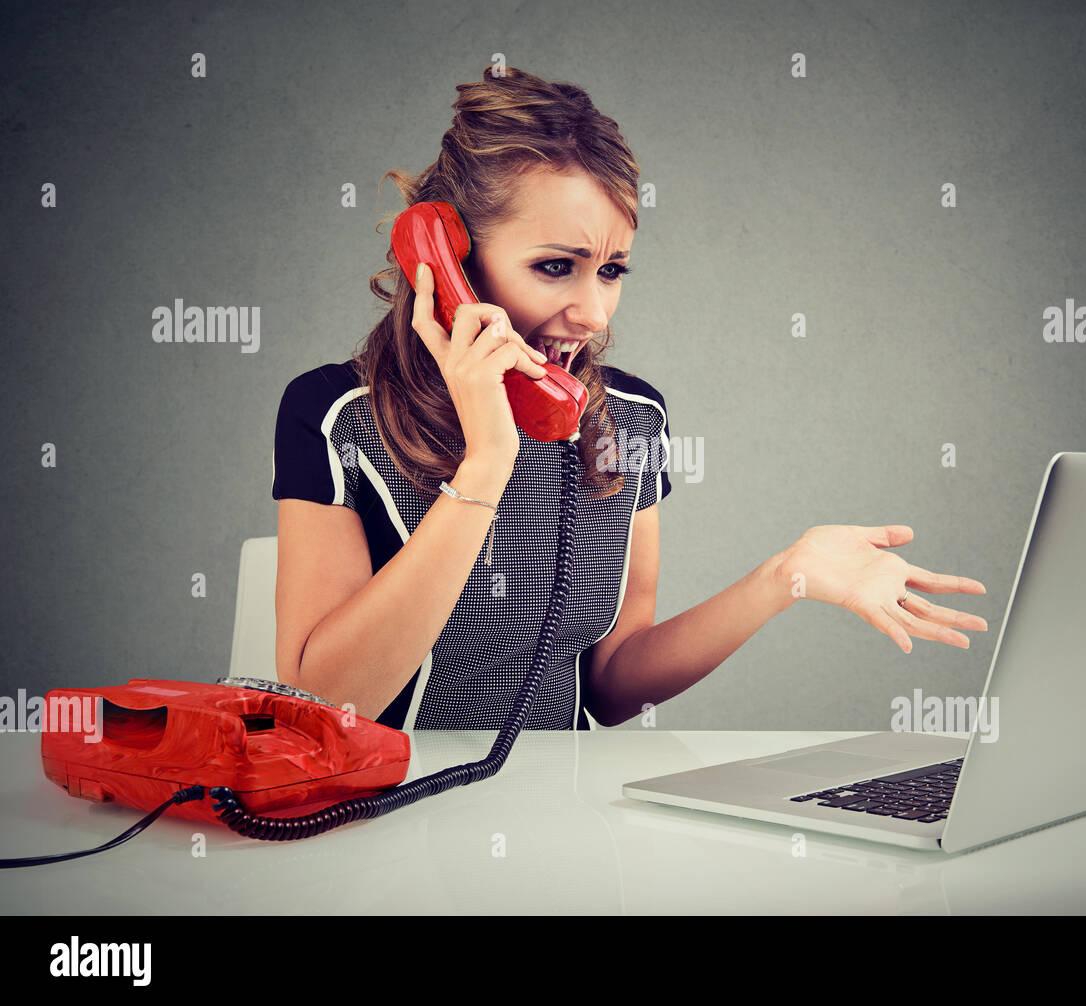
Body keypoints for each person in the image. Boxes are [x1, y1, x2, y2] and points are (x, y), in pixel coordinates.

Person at [271, 65, 987, 732]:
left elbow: (612, 685)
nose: (594, 314)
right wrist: (487, 462)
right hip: (383, 819)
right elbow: (334, 704)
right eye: (556, 267)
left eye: (610, 271)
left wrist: (782, 577)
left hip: (568, 814)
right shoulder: (336, 415)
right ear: (446, 259)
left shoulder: (633, 419)